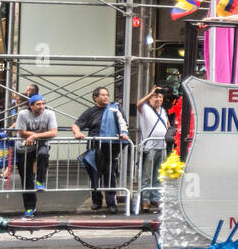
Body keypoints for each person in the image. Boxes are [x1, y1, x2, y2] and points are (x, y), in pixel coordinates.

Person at [72, 86, 130, 214]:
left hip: (110, 148)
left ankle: (111, 203)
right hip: (95, 148)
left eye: (107, 95)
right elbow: (76, 125)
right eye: (103, 95)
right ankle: (96, 201)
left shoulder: (115, 109)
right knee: (94, 176)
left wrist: (124, 133)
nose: (106, 97)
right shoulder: (90, 112)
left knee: (110, 175)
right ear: (95, 98)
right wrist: (77, 133)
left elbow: (123, 124)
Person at [13, 94, 57, 217]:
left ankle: (40, 180)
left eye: (43, 103)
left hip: (41, 142)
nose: (42, 106)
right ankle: (29, 207)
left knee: (43, 153)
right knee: (26, 178)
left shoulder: (50, 113)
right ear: (31, 106)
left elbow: (54, 132)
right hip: (23, 147)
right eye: (38, 104)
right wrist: (38, 134)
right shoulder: (23, 114)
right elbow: (21, 133)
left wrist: (35, 136)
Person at [136, 85, 169, 213]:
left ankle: (156, 198)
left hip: (162, 146)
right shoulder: (145, 109)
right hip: (149, 147)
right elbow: (139, 104)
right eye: (155, 97)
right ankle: (145, 200)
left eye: (160, 97)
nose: (158, 99)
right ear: (150, 98)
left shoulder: (163, 111)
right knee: (147, 175)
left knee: (158, 175)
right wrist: (151, 93)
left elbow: (167, 125)